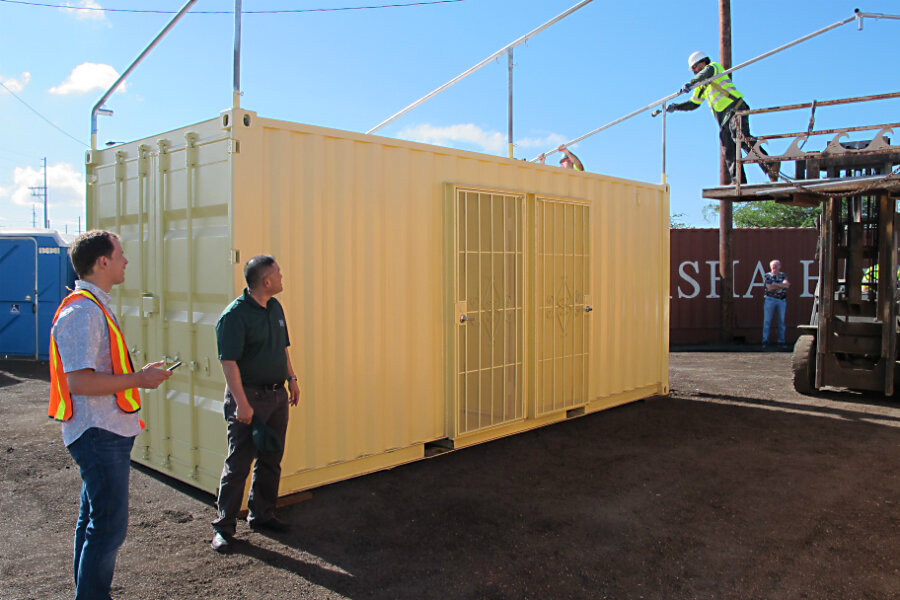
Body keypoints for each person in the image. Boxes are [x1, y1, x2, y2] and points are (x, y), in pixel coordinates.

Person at [49, 230, 172, 600]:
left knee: (93, 522)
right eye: (120, 254)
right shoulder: (82, 311)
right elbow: (80, 383)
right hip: (97, 434)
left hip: (104, 432)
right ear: (102, 262)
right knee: (108, 528)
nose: (125, 261)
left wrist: (139, 376)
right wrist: (140, 378)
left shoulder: (93, 306)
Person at [211, 254, 300, 553]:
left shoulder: (274, 307)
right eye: (278, 273)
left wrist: (292, 378)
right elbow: (229, 363)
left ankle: (262, 514)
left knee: (271, 457)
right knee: (238, 463)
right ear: (266, 281)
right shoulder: (234, 316)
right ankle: (223, 527)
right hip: (249, 399)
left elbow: (282, 347)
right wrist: (241, 403)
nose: (282, 277)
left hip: (276, 396)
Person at [667, 51, 779, 184]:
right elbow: (694, 103)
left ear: (703, 62)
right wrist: (677, 106)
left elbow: (706, 72)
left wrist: (691, 82)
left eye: (695, 68)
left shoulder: (714, 68)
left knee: (741, 138)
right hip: (724, 119)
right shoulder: (701, 85)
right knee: (728, 148)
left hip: (735, 108)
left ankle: (770, 165)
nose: (694, 71)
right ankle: (738, 181)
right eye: (692, 70)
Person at [762, 259, 790, 349]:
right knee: (767, 321)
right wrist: (780, 285)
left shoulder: (783, 275)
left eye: (776, 265)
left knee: (781, 321)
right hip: (770, 300)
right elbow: (769, 287)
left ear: (779, 266)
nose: (774, 267)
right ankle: (765, 341)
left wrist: (775, 284)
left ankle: (781, 341)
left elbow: (787, 285)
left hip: (781, 300)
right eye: (772, 265)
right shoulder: (767, 276)